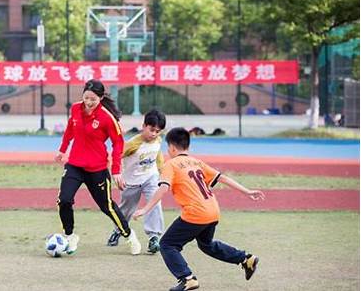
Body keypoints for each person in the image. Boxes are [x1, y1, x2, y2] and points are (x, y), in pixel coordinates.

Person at [133, 127, 265, 291]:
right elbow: (222, 177)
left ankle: (187, 278)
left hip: (196, 213)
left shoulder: (171, 164)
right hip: (213, 210)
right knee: (206, 244)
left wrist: (145, 209)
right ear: (187, 146)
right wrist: (247, 191)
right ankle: (246, 259)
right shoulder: (197, 162)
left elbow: (163, 188)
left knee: (167, 244)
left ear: (172, 148)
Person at [55, 79, 141, 255]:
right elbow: (70, 129)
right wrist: (62, 150)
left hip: (97, 169)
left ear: (100, 98)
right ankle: (70, 236)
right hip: (75, 166)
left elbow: (118, 143)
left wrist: (116, 170)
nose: (88, 102)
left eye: (93, 99)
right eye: (86, 98)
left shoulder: (107, 118)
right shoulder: (75, 109)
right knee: (64, 200)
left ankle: (129, 235)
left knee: (107, 206)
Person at [107, 109, 166, 254]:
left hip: (150, 178)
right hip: (131, 182)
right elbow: (115, 157)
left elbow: (158, 155)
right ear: (143, 126)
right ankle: (118, 230)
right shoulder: (132, 144)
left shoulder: (158, 140)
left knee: (154, 203)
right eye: (151, 130)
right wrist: (117, 174)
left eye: (158, 131)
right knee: (126, 210)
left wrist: (162, 171)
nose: (154, 134)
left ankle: (154, 237)